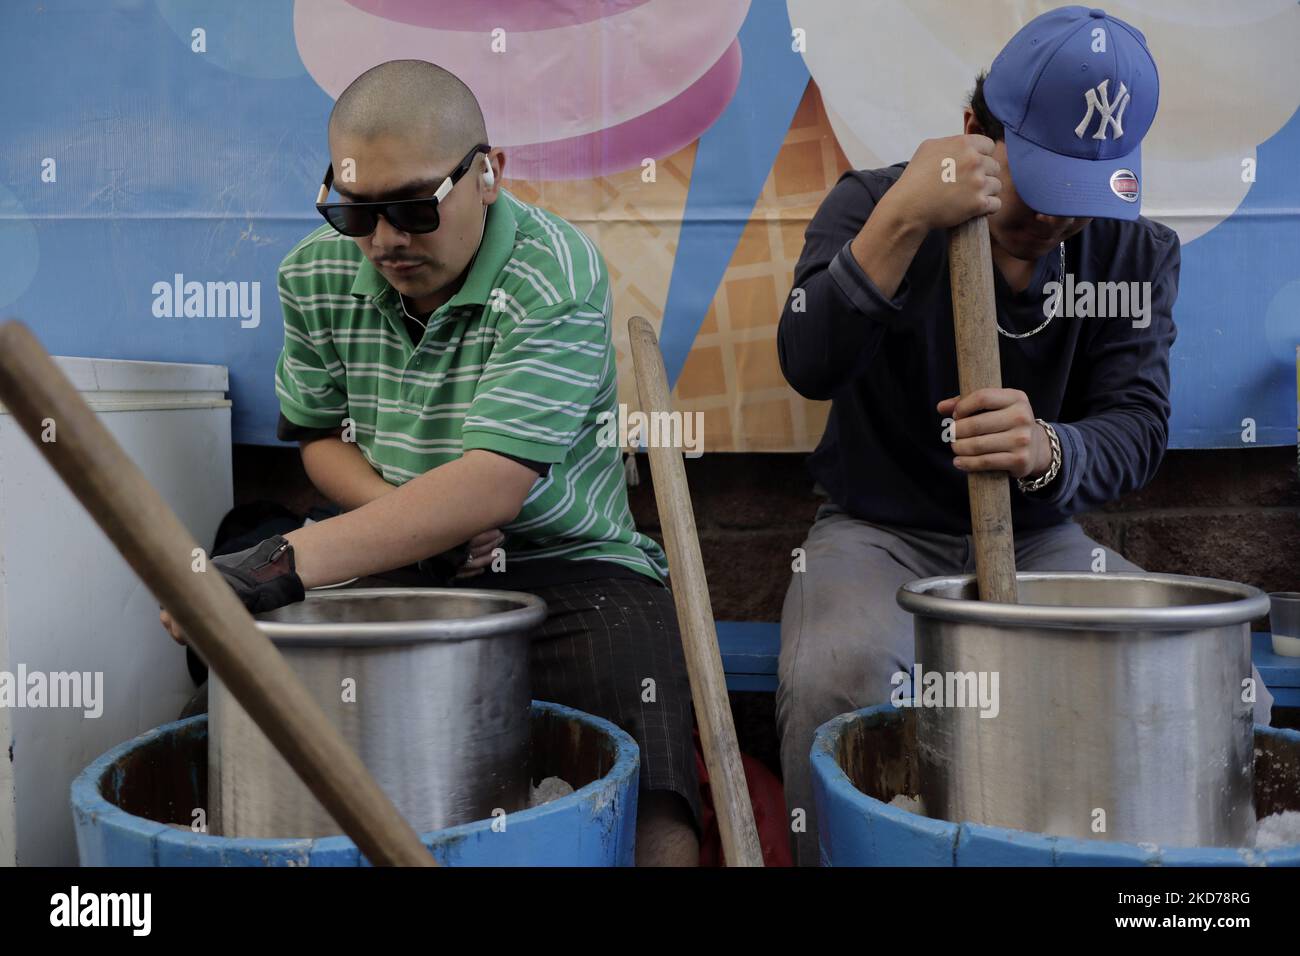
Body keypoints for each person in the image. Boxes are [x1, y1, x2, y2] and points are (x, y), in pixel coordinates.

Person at [160, 60, 699, 866]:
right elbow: (317, 439)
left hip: (566, 565)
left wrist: (281, 562)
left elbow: (493, 483)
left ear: (488, 176)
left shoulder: (554, 272)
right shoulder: (314, 272)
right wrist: (407, 528)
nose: (385, 241)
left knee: (647, 764)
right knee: (244, 699)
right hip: (392, 549)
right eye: (356, 210)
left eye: (413, 208)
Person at [775, 6, 1272, 866]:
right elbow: (806, 360)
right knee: (836, 675)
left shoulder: (1130, 251)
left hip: (1040, 543)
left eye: (1081, 197)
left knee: (1231, 695)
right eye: (1037, 188)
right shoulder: (871, 205)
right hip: (875, 532)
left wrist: (1050, 450)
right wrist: (900, 222)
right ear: (974, 131)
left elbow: (1138, 426)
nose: (1053, 223)